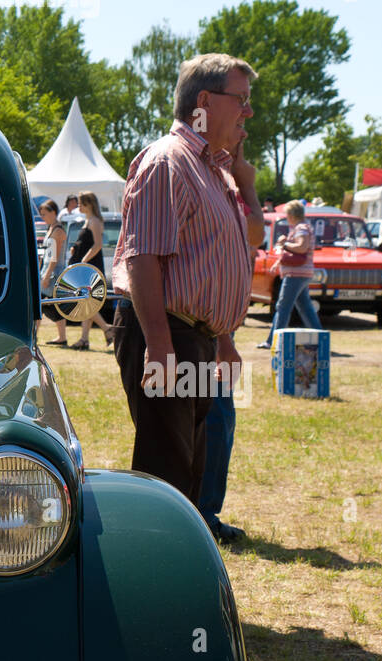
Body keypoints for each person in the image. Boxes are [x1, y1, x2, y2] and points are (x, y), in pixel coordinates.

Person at [110, 53, 264, 517]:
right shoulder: (167, 162)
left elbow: (211, 263)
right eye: (241, 99)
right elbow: (143, 258)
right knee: (167, 474)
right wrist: (158, 347)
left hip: (193, 338)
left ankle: (181, 576)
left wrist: (222, 339)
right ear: (204, 101)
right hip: (166, 334)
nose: (248, 112)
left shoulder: (214, 171)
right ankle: (156, 581)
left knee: (191, 470)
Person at [257, 199, 321, 348]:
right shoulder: (303, 227)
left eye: (287, 214)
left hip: (295, 275)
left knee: (283, 307)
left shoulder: (301, 229)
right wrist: (279, 262)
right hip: (301, 274)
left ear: (292, 215)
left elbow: (301, 247)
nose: (286, 217)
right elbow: (296, 251)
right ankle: (319, 338)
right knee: (305, 308)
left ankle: (273, 341)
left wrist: (284, 243)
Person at [67, 191, 112, 349]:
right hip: (85, 267)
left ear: (89, 204)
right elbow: (86, 242)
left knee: (86, 302)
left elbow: (97, 245)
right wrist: (75, 248)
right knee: (86, 301)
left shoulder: (95, 221)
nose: (78, 206)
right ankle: (85, 339)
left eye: (80, 203)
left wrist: (84, 260)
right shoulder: (87, 221)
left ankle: (107, 329)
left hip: (90, 268)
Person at [36, 199, 69, 346]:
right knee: (47, 305)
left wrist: (47, 276)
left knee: (42, 304)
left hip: (53, 273)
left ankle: (35, 336)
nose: (42, 217)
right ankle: (61, 337)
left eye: (44, 214)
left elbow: (54, 258)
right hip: (47, 271)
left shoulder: (58, 231)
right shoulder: (52, 228)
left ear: (53, 212)